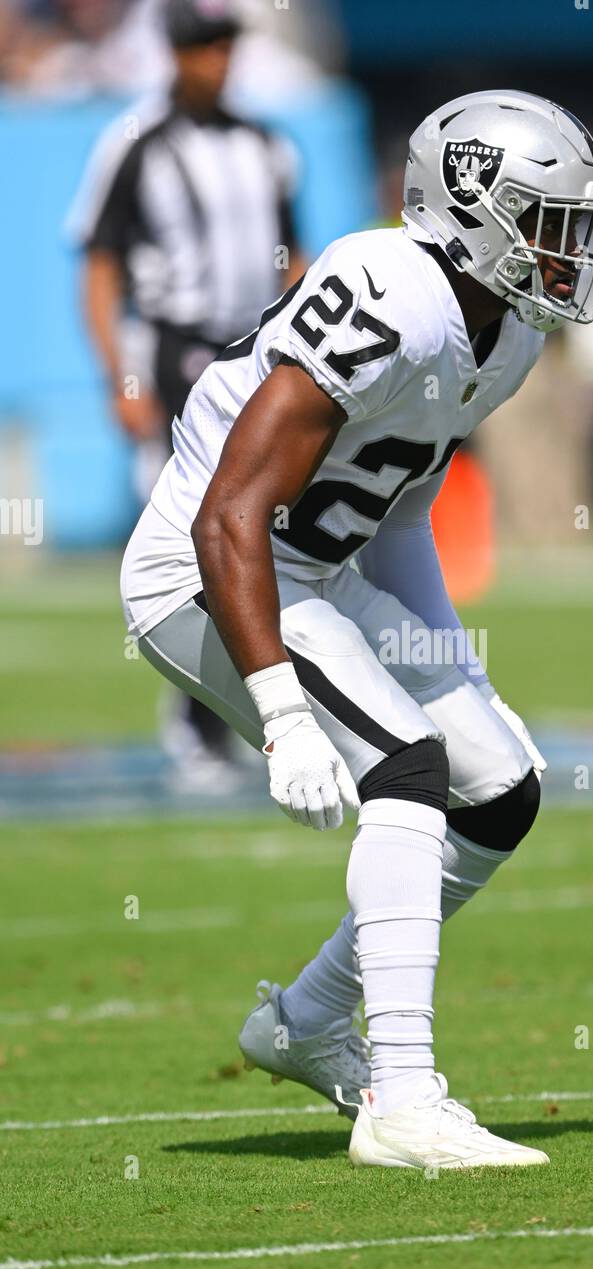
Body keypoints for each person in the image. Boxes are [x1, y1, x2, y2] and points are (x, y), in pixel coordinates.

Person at [120, 89, 593, 1169]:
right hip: (204, 570)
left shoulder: (507, 338)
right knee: (406, 770)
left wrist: (440, 660)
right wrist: (281, 713)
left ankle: (306, 1020)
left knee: (498, 786)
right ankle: (400, 1097)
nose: (566, 252)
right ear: (473, 210)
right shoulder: (385, 289)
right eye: (548, 223)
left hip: (314, 569)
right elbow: (226, 514)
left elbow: (395, 513)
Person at [70, 0, 303, 785]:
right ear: (173, 54)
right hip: (173, 355)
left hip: (255, 355)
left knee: (265, 526)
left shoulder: (265, 145)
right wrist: (119, 374)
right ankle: (196, 724)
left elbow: (292, 260)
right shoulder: (137, 145)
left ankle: (252, 707)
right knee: (194, 535)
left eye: (225, 45)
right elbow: (100, 266)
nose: (217, 61)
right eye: (203, 47)